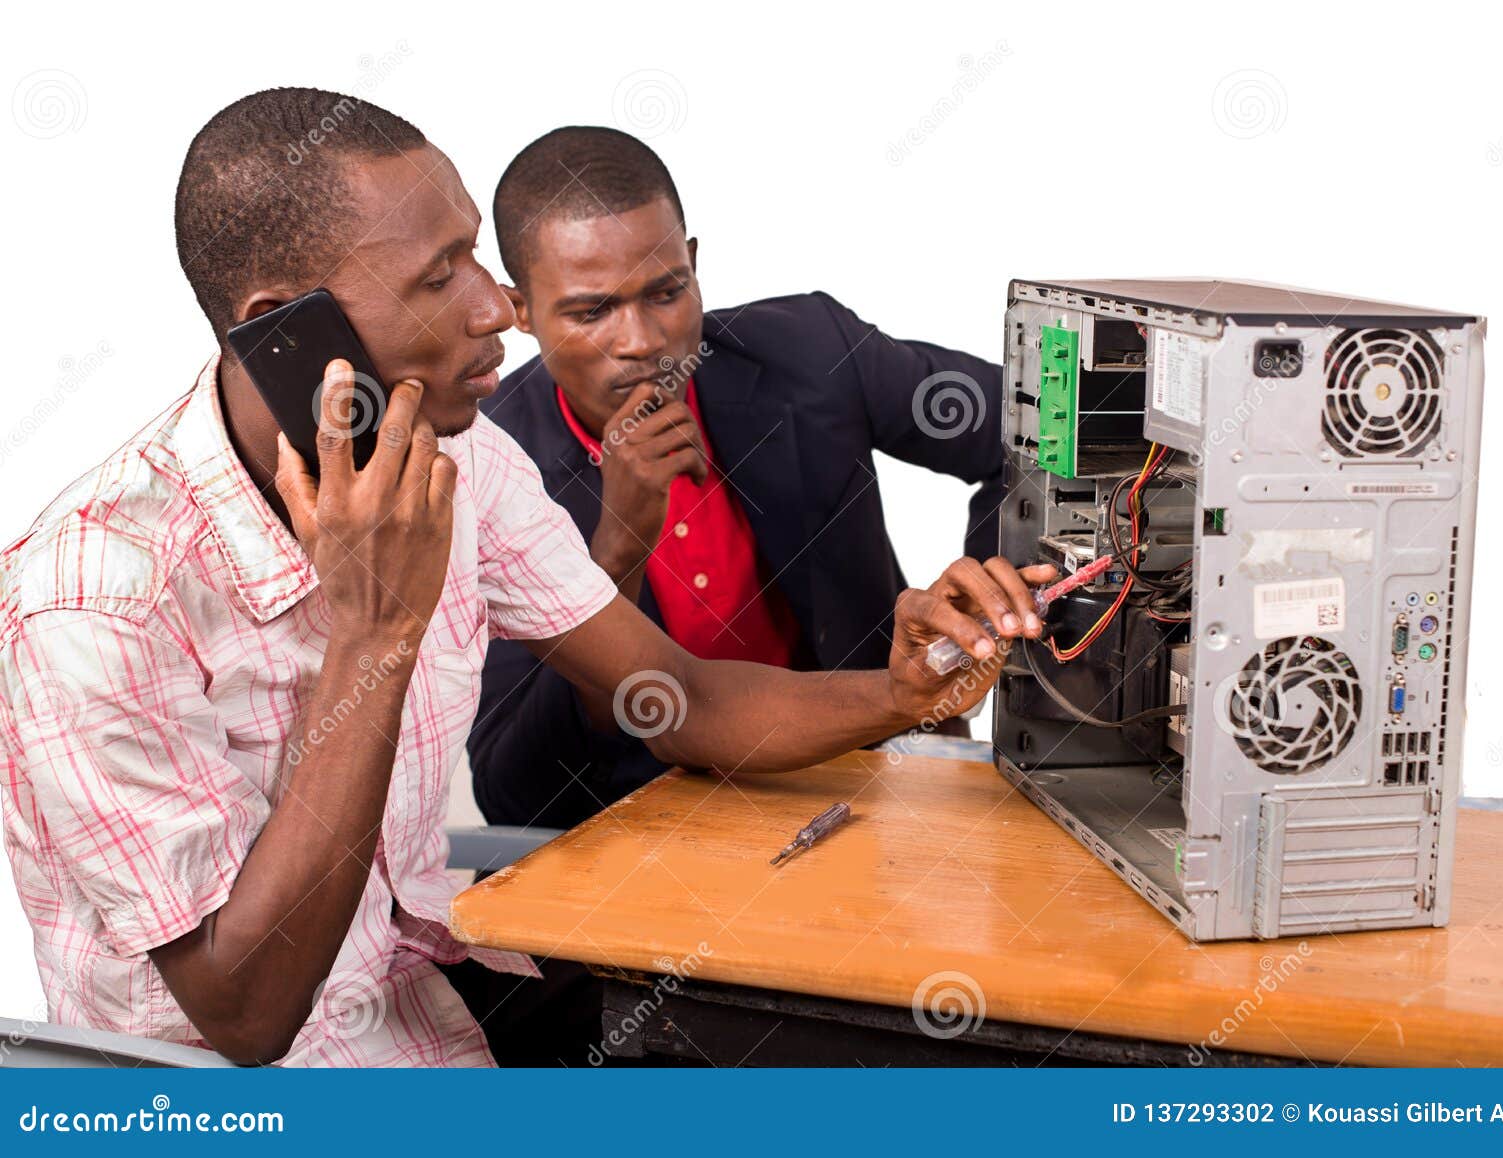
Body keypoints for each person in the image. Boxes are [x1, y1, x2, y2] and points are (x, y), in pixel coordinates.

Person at [0, 89, 1051, 1067]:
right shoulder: (92, 600)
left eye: (472, 255)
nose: (497, 309)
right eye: (439, 274)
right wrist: (375, 632)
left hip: (441, 997)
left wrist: (900, 695)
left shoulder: (462, 461)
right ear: (287, 325)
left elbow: (677, 697)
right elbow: (247, 1012)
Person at [470, 126, 1006, 829]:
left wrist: (997, 603)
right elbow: (516, 792)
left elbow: (1037, 439)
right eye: (591, 310)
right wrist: (616, 550)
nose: (641, 341)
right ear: (520, 312)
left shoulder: (810, 350)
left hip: (871, 785)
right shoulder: (487, 465)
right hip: (639, 835)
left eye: (666, 292)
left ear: (693, 264)